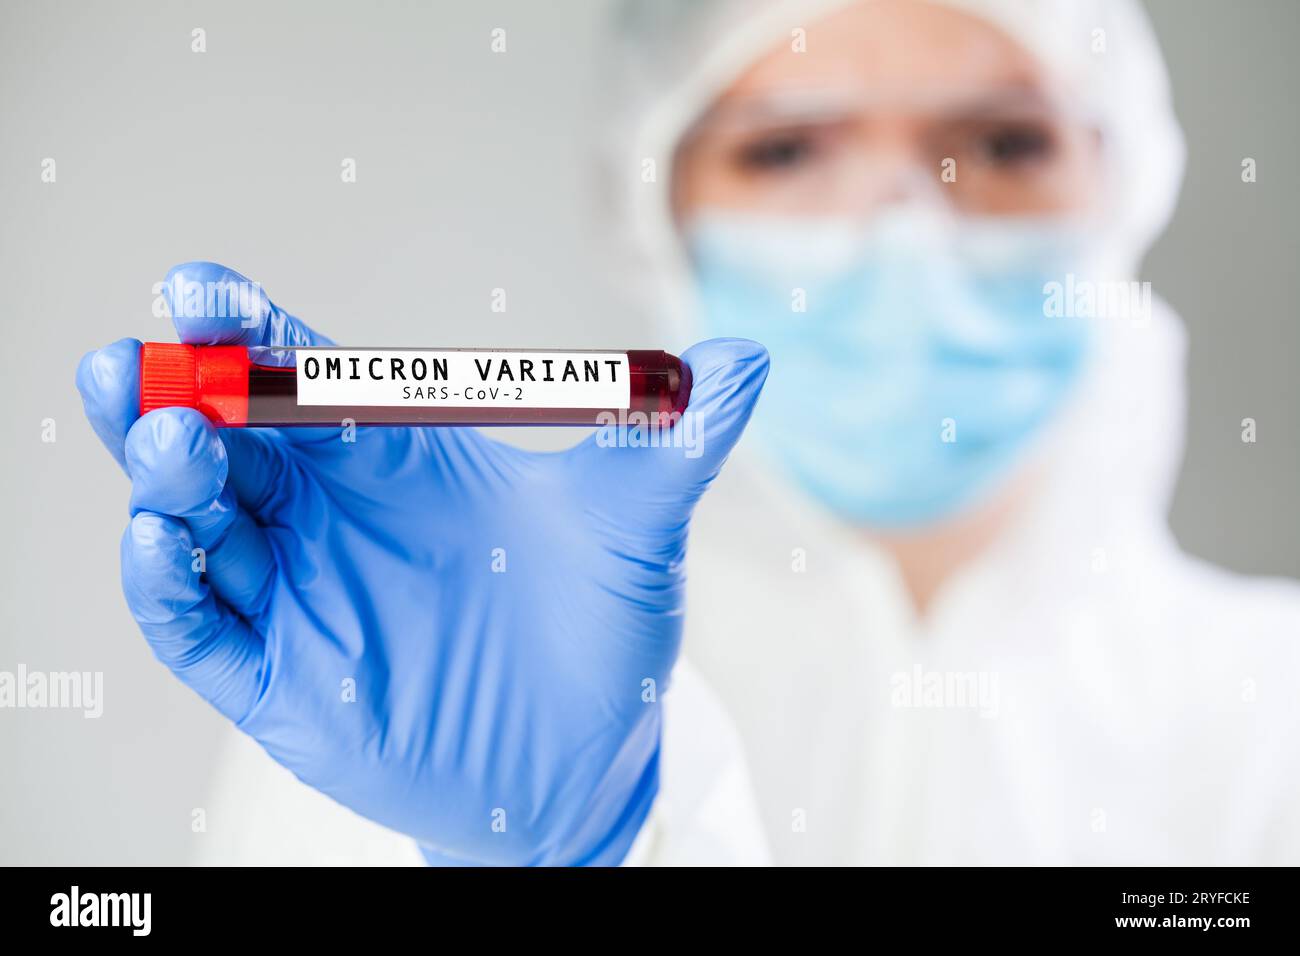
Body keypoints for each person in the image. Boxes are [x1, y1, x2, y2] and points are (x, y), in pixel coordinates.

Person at [77, 0, 1300, 866]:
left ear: (1125, 177)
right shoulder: (412, 661)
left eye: (1001, 142)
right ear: (654, 209)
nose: (900, 227)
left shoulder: (1272, 711)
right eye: (786, 149)